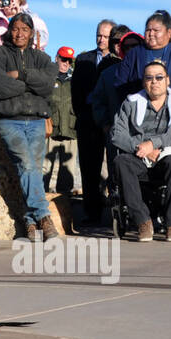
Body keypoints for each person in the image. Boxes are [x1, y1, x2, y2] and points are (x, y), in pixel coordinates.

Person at [0, 12, 59, 240]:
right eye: (16, 28)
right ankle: (44, 216)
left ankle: (30, 223)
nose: (19, 33)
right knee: (26, 164)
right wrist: (29, 85)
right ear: (10, 30)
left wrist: (21, 75)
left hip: (36, 120)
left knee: (32, 170)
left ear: (31, 33)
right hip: (10, 119)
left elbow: (48, 85)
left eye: (25, 30)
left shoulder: (42, 58)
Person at [110, 60, 171, 242]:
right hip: (139, 157)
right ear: (144, 82)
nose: (154, 82)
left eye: (159, 77)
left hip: (168, 156)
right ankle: (143, 221)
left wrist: (155, 143)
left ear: (168, 80)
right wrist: (142, 147)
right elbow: (117, 135)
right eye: (149, 78)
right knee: (120, 162)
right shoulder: (131, 103)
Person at [113, 10, 171, 108]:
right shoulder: (134, 54)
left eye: (156, 30)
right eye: (148, 30)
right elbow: (120, 84)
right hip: (141, 114)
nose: (151, 34)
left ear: (169, 32)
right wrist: (131, 108)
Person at [72, 20, 116, 225]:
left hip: (110, 119)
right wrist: (82, 113)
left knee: (115, 167)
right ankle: (92, 212)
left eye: (106, 36)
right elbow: (75, 91)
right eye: (99, 35)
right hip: (88, 119)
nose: (101, 39)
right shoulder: (83, 59)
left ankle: (117, 211)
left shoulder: (118, 61)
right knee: (90, 167)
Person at [45, 45, 79, 199]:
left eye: (69, 61)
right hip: (50, 130)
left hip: (71, 131)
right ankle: (41, 203)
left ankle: (64, 205)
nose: (66, 63)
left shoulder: (76, 81)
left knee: (68, 171)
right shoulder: (47, 78)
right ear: (56, 58)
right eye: (63, 59)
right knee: (44, 169)